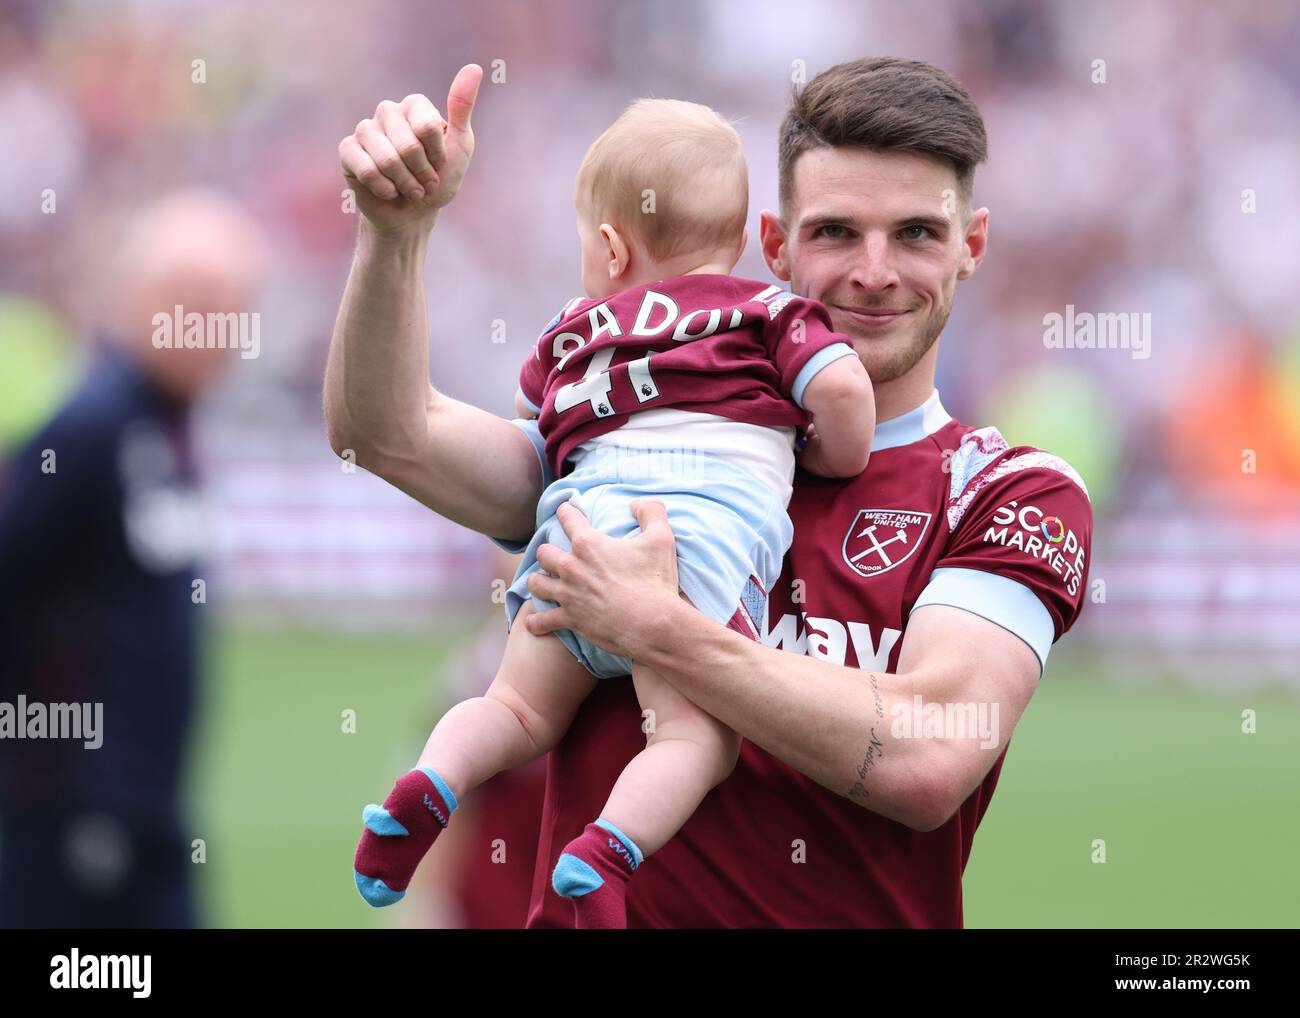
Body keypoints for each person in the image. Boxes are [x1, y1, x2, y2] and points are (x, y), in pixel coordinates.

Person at [325, 56, 1094, 928]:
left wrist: (659, 628)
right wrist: (395, 235)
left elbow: (926, 759)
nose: (875, 271)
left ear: (971, 246)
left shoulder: (1010, 492)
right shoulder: (646, 434)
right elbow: (383, 433)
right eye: (837, 231)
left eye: (916, 233)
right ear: (773, 246)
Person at [349, 94, 873, 928]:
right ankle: (607, 853)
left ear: (609, 248)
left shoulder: (570, 331)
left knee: (513, 709)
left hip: (574, 548)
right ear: (743, 246)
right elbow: (842, 391)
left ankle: (431, 781)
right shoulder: (766, 313)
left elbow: (539, 432)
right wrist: (832, 450)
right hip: (686, 560)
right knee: (693, 739)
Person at [0, 188, 267, 927]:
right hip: (70, 821)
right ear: (141, 300)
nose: (223, 329)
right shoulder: (90, 429)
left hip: (147, 811)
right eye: (200, 300)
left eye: (236, 303)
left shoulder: (165, 426)